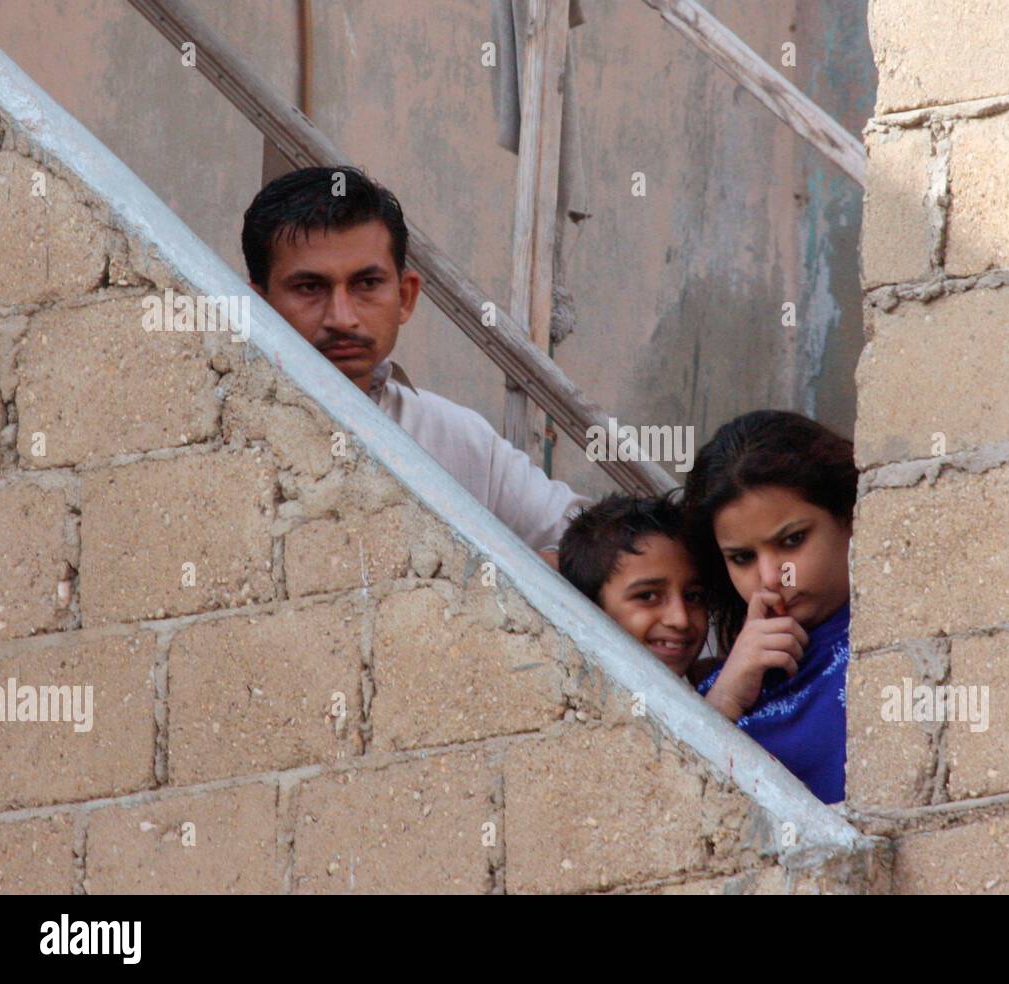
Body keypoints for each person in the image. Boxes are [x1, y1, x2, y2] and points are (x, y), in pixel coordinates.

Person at [241, 166, 589, 555]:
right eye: (310, 287)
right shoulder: (214, 438)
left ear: (405, 296)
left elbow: (593, 546)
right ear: (258, 304)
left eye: (367, 284)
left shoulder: (457, 440)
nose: (342, 317)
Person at [683, 410, 855, 804]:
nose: (772, 577)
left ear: (849, 516)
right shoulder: (725, 688)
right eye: (742, 558)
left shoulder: (903, 645)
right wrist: (723, 701)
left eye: (792, 541)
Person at [558, 493, 708, 680]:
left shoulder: (716, 684)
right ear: (590, 607)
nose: (680, 619)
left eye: (693, 597)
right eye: (647, 596)